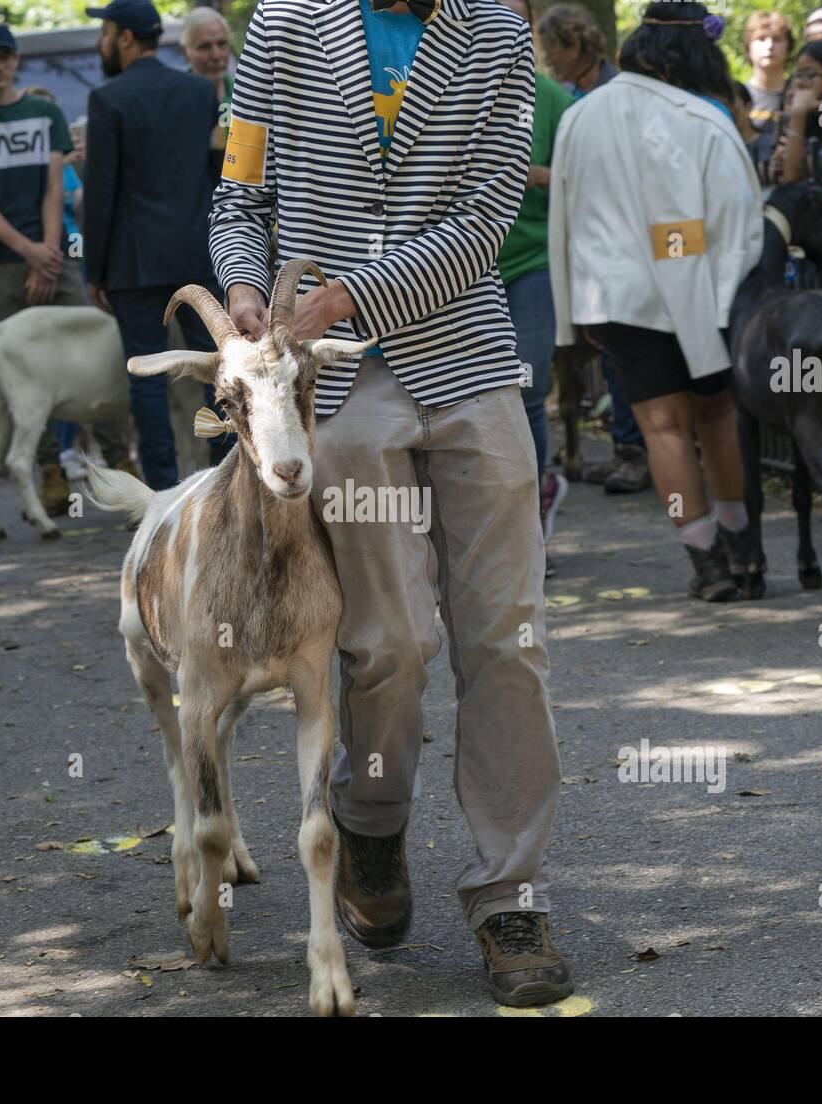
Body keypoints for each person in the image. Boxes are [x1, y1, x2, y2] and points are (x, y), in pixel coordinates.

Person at [211, 0, 570, 1006]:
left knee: (507, 636)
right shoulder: (283, 25)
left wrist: (352, 293)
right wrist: (245, 292)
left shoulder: (497, 33)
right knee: (391, 642)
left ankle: (510, 892)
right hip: (338, 383)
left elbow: (486, 217)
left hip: (467, 361)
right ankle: (371, 824)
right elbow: (238, 197)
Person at [550, 2, 763, 602]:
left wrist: (579, 307)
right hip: (700, 294)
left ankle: (705, 560)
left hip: (615, 298)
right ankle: (741, 542)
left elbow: (569, 218)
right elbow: (733, 223)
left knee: (661, 429)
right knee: (717, 418)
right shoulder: (704, 117)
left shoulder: (581, 116)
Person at [0, 24, 132, 514]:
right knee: (27, 377)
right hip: (0, 262)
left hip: (53, 254)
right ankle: (48, 473)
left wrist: (48, 254)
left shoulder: (44, 112)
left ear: (15, 60)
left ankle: (119, 463)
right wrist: (29, 252)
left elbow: (53, 188)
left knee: (103, 349)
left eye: (5, 55)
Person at [83, 0, 232, 490]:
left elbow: (101, 193)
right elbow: (216, 177)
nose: (101, 40)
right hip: (197, 259)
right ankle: (228, 481)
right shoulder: (197, 93)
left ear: (125, 37)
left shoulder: (108, 99)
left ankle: (162, 495)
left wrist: (95, 271)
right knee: (218, 372)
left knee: (147, 380)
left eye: (105, 30)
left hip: (134, 267)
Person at [538, 2, 650, 495]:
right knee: (600, 351)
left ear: (577, 44)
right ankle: (624, 446)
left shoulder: (616, 94)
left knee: (621, 348)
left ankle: (635, 452)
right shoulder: (564, 95)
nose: (549, 60)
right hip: (578, 244)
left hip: (620, 241)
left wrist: (540, 177)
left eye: (554, 50)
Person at [496, 0, 573, 574]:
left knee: (527, 386)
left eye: (516, 15)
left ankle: (531, 521)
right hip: (456, 271)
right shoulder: (449, 79)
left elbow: (587, 179)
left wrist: (540, 175)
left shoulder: (556, 100)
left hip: (531, 263)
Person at [23, 85, 130, 484]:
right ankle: (62, 451)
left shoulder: (71, 164)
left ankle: (107, 452)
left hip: (79, 258)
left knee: (87, 355)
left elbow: (86, 202)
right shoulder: (47, 165)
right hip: (59, 259)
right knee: (57, 363)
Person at [771, 39, 822, 184]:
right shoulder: (811, 114)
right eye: (799, 75)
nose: (801, 83)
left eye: (810, 75)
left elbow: (792, 176)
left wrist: (799, 113)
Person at [743, 11, 795, 178]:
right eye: (761, 39)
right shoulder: (738, 97)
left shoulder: (799, 94)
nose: (770, 45)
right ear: (748, 47)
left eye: (777, 39)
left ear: (789, 47)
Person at [180, 6, 234, 151]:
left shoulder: (242, 95)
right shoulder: (175, 99)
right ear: (185, 52)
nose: (216, 56)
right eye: (205, 47)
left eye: (222, 44)